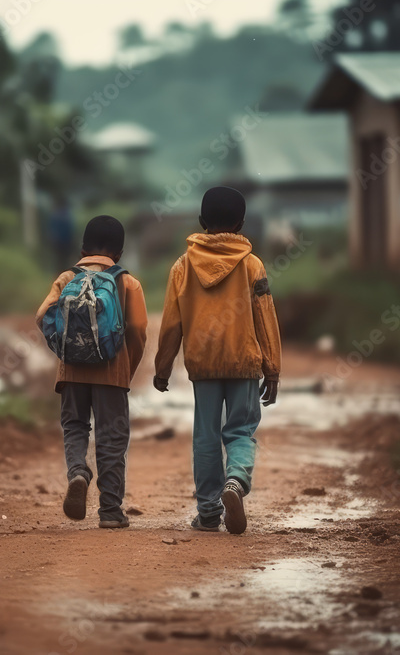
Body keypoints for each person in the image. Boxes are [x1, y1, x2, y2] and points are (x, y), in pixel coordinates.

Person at [153, 187, 281, 535]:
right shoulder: (252, 265)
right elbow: (265, 315)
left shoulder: (182, 266)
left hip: (203, 363)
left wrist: (163, 368)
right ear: (241, 224)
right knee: (240, 430)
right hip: (243, 362)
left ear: (201, 222)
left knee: (206, 437)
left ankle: (208, 513)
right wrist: (272, 368)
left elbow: (172, 324)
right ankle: (235, 481)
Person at [35, 215, 148, 528]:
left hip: (71, 372)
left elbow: (42, 316)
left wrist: (64, 351)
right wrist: (127, 368)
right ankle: (110, 511)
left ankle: (78, 473)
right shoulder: (127, 282)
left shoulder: (66, 278)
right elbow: (138, 330)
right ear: (119, 253)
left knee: (74, 426)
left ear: (82, 249)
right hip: (112, 373)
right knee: (111, 437)